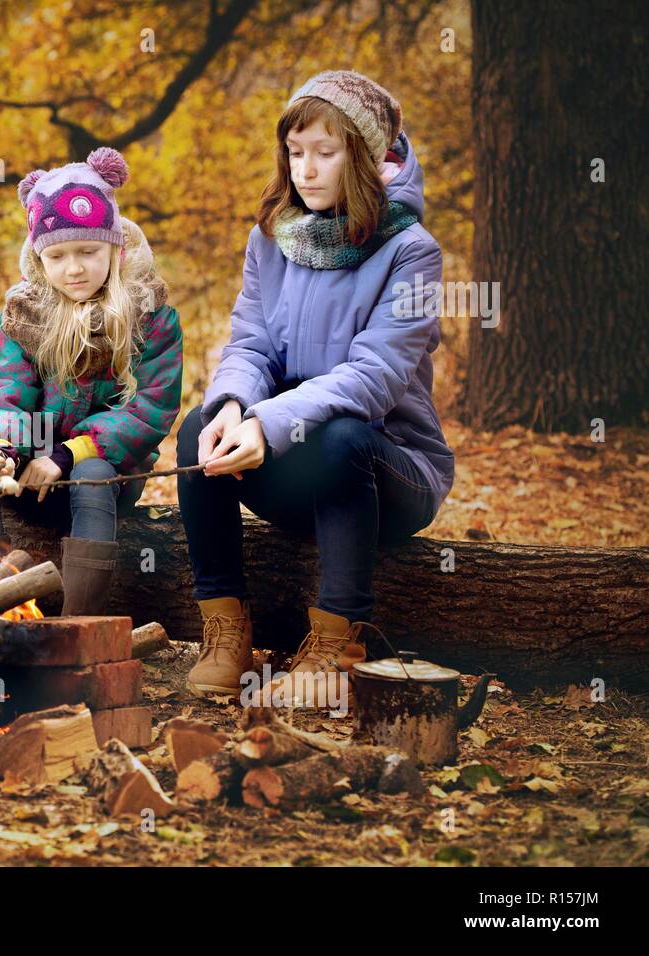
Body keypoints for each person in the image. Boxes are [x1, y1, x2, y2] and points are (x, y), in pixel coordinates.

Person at [177, 70, 454, 703]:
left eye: (325, 154)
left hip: (388, 474)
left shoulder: (412, 250)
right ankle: (225, 628)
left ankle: (337, 639)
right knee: (200, 426)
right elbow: (249, 345)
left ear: (363, 156)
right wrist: (234, 408)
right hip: (288, 463)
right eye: (295, 152)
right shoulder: (270, 238)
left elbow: (374, 378)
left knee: (340, 436)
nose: (306, 170)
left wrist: (268, 424)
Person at [0, 147, 183, 615]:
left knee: (92, 476)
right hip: (28, 464)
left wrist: (67, 454)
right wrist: (0, 447)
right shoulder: (26, 315)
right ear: (39, 260)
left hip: (106, 466)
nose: (73, 269)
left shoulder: (149, 316)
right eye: (57, 256)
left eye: (88, 251)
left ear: (115, 249)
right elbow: (4, 388)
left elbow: (150, 408)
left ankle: (78, 621)